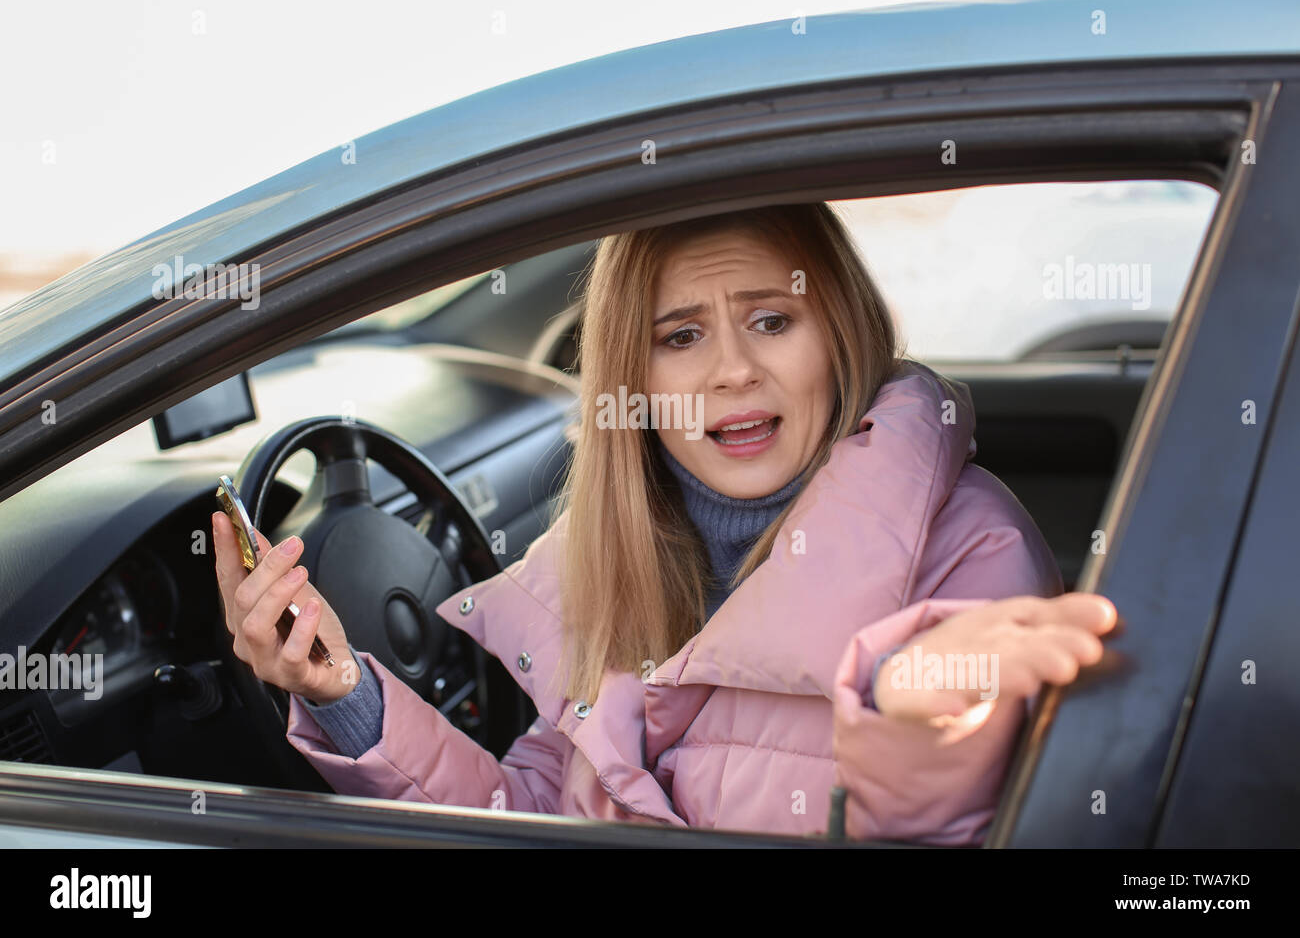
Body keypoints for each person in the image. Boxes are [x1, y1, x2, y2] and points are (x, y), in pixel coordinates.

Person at [212, 202, 1116, 843]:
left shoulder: (970, 541)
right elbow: (535, 820)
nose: (731, 370)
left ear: (839, 332)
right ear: (630, 379)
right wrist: (343, 696)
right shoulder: (605, 560)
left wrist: (917, 720)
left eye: (771, 319)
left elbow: (961, 818)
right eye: (680, 335)